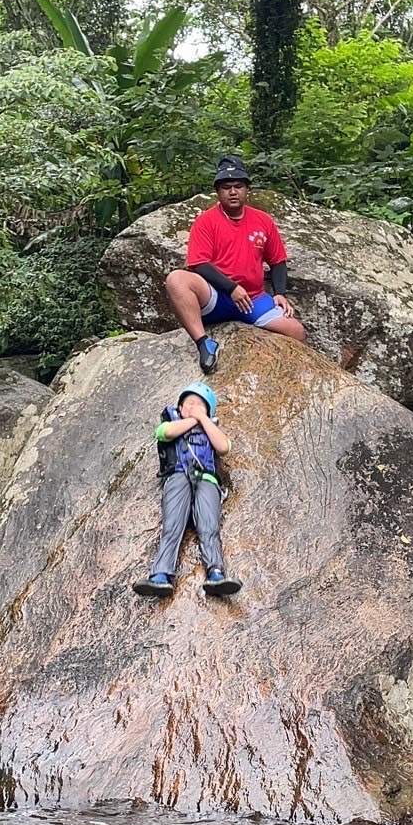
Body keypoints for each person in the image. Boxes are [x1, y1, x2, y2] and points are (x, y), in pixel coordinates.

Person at [165, 156, 306, 376]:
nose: (233, 192)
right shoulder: (206, 221)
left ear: (247, 189)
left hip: (252, 299)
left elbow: (277, 260)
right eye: (226, 187)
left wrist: (280, 293)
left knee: (296, 331)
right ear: (218, 192)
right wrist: (231, 288)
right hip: (217, 298)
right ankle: (204, 343)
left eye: (238, 186)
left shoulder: (263, 220)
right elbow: (198, 263)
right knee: (176, 279)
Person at [133, 381, 242, 599]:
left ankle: (216, 573)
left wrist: (203, 419)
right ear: (180, 408)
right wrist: (193, 418)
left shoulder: (210, 429)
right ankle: (161, 574)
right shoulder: (171, 423)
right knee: (173, 525)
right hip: (178, 476)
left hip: (207, 479)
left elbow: (223, 447)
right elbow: (164, 433)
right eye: (188, 403)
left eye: (199, 404)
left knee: (209, 527)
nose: (192, 406)